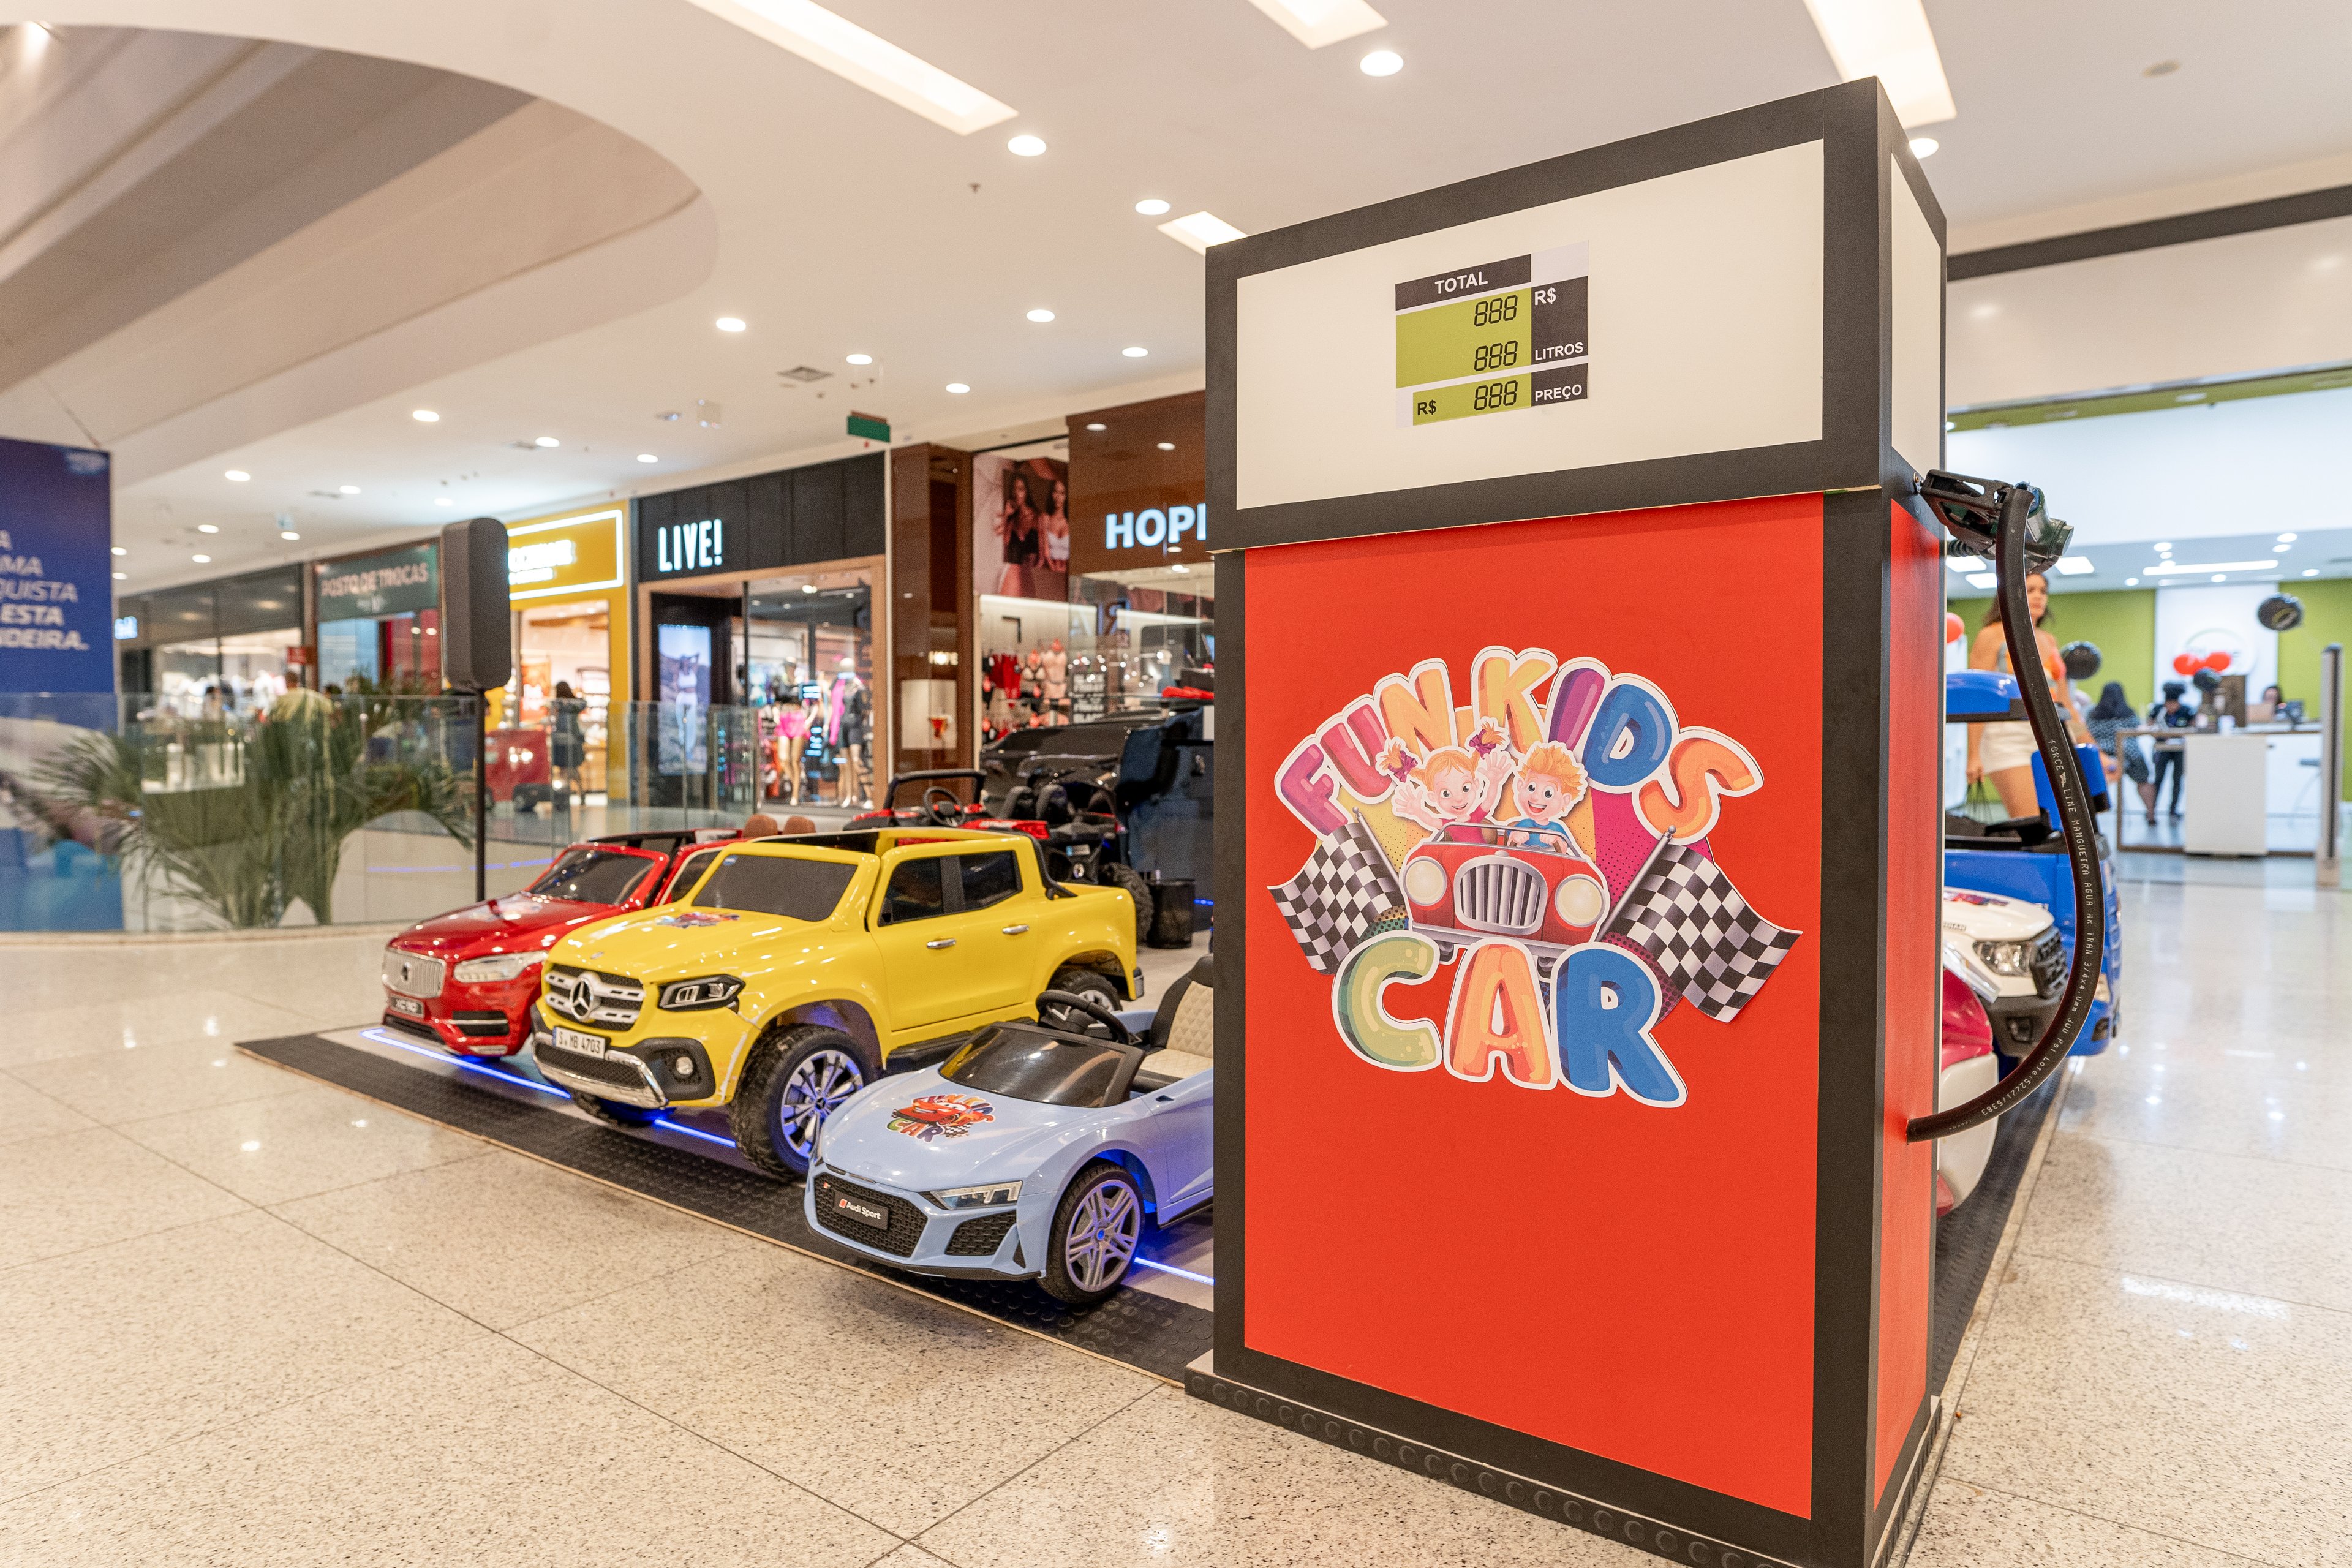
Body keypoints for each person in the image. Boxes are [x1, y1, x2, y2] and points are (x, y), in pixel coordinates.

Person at [1967, 573, 2090, 818]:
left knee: (2059, 821)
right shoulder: (1991, 636)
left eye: (2043, 591)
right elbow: (1978, 698)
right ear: (2011, 593)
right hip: (2007, 737)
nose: (2038, 596)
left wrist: (2091, 745)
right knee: (2032, 822)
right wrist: (1973, 756)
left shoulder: (2049, 640)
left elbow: (2065, 702)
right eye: (2030, 589)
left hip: (2050, 735)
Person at [2084, 681, 2152, 819]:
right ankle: (2151, 813)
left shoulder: (2093, 714)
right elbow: (2137, 729)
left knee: (2094, 782)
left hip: (2102, 756)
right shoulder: (2128, 713)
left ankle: (2089, 815)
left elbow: (2088, 732)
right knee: (2143, 780)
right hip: (2130, 754)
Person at [2147, 680, 2195, 821]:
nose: (2171, 707)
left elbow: (2193, 728)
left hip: (2180, 750)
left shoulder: (2187, 711)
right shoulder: (2158, 710)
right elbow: (2149, 726)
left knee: (2177, 779)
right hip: (2162, 749)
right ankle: (2152, 809)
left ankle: (2173, 809)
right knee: (2158, 778)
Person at [549, 680, 587, 801]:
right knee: (570, 767)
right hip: (571, 739)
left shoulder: (562, 704)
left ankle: (568, 793)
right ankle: (572, 792)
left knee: (566, 768)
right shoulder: (568, 704)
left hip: (565, 739)